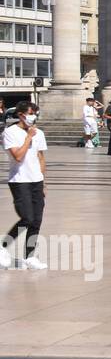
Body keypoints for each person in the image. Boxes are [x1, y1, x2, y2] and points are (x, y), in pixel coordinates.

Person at [2, 102, 47, 270]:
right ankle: (3, 246)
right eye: (30, 113)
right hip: (20, 181)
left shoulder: (39, 133)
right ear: (20, 114)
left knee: (36, 221)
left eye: (35, 113)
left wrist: (44, 182)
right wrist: (28, 138)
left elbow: (41, 158)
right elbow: (18, 157)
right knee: (27, 218)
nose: (33, 116)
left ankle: (30, 257)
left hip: (36, 181)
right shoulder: (10, 132)